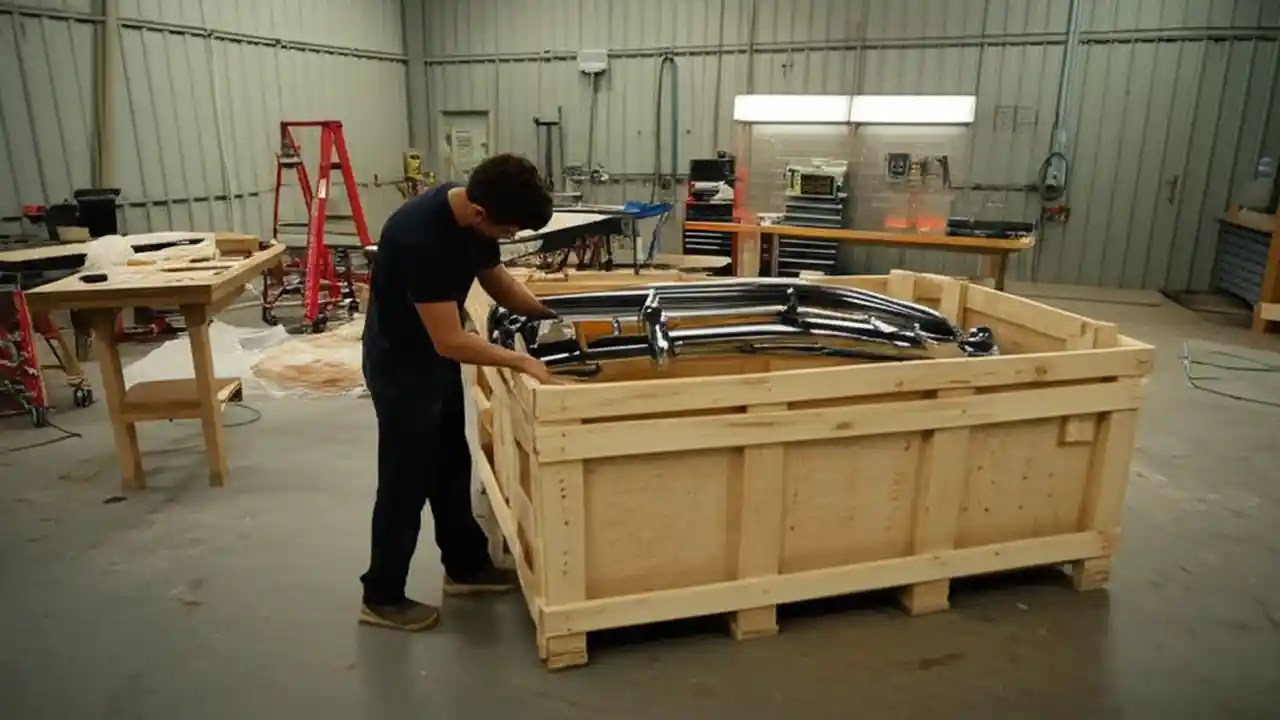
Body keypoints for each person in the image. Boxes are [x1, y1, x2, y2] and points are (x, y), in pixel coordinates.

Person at [358, 154, 558, 632]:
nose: (507, 238)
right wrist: (520, 360)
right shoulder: (420, 238)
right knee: (406, 481)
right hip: (401, 365)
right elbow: (449, 340)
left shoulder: (472, 211)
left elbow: (496, 279)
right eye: (507, 231)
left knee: (450, 462)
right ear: (481, 214)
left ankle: (466, 567)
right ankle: (381, 595)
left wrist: (547, 314)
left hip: (433, 358)